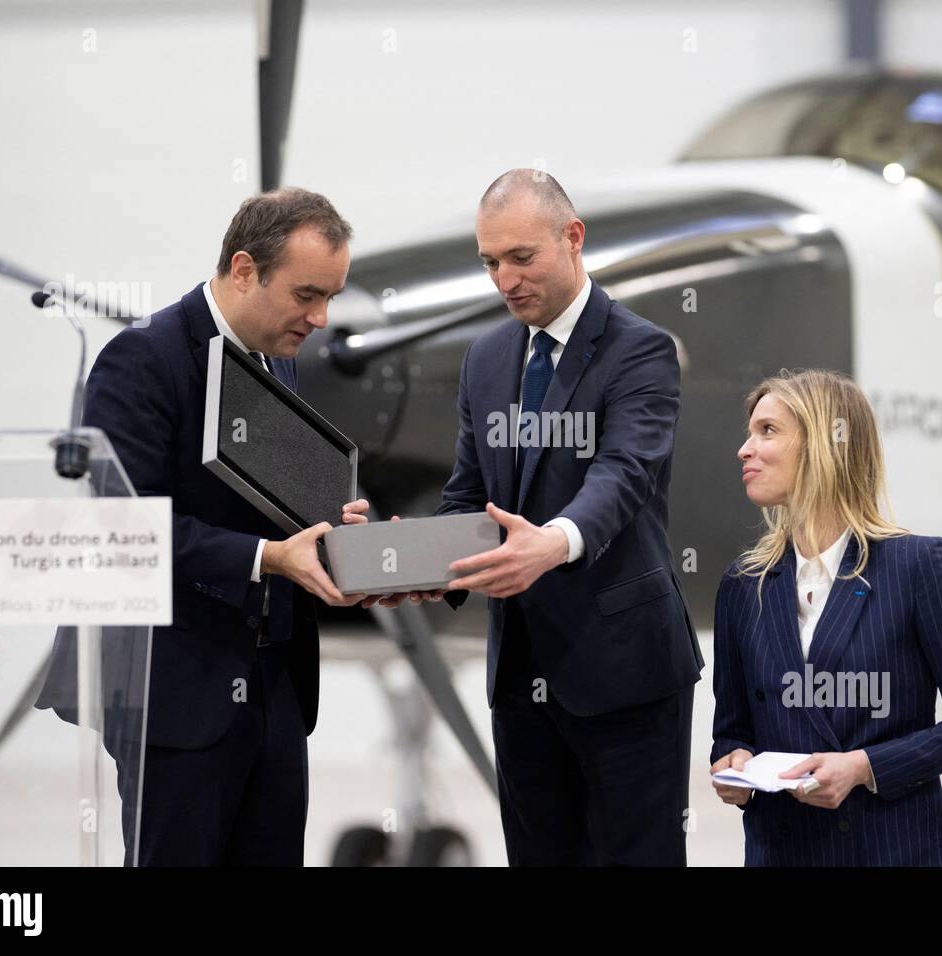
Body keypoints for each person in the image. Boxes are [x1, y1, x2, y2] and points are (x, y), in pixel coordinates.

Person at [37, 188, 373, 866]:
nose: (320, 317)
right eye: (307, 294)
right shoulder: (144, 360)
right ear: (245, 269)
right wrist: (268, 558)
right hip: (176, 689)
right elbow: (123, 526)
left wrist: (333, 532)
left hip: (274, 687)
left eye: (331, 297)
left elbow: (264, 503)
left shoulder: (276, 357)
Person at [434, 169, 703, 866]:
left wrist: (553, 543)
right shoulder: (486, 359)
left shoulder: (639, 349)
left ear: (573, 238)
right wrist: (420, 563)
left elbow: (625, 473)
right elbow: (467, 494)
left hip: (625, 672)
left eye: (522, 258)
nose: (505, 279)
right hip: (522, 677)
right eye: (491, 262)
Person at [710, 368, 942, 866]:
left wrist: (865, 766)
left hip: (891, 850)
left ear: (826, 445)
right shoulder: (743, 585)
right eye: (750, 432)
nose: (744, 449)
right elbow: (733, 728)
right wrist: (733, 763)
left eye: (767, 431)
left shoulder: (916, 566)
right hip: (781, 851)